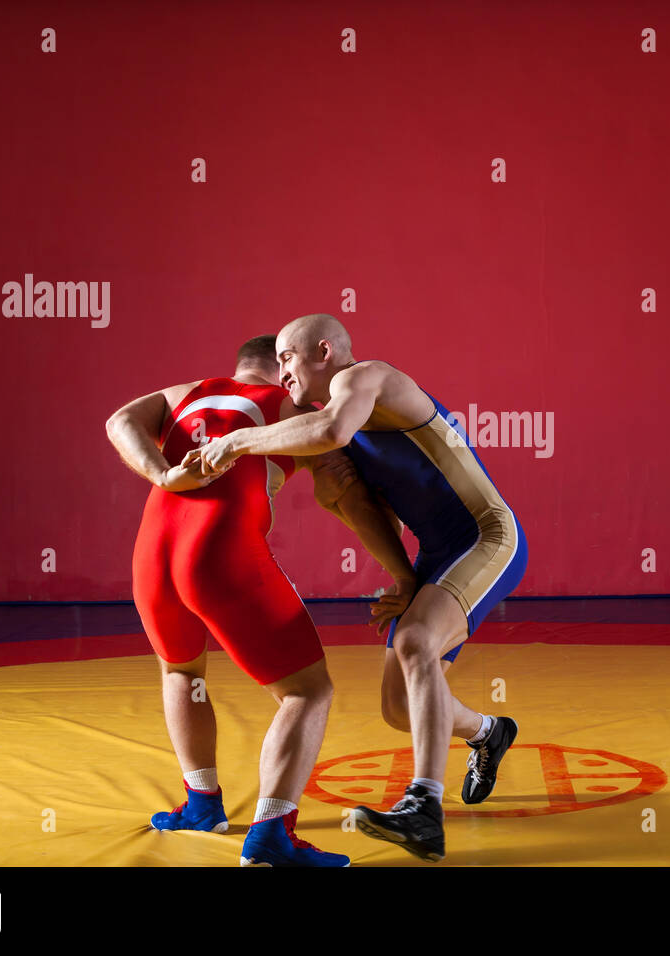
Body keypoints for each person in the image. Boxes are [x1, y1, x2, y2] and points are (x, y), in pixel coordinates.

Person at [197, 314, 527, 862]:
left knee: (415, 642)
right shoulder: (329, 418)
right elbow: (350, 499)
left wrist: (238, 440)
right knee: (400, 707)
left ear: (324, 351)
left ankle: (424, 807)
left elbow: (330, 432)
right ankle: (489, 732)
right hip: (437, 556)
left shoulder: (365, 379)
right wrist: (404, 575)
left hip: (487, 536)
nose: (282, 373)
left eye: (286, 357)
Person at [105, 334, 415, 867]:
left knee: (181, 672)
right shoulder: (291, 406)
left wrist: (163, 474)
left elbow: (118, 422)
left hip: (150, 555)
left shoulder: (184, 391)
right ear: (281, 365)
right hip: (220, 553)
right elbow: (342, 488)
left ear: (238, 364)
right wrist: (401, 572)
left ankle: (201, 804)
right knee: (307, 692)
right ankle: (272, 835)